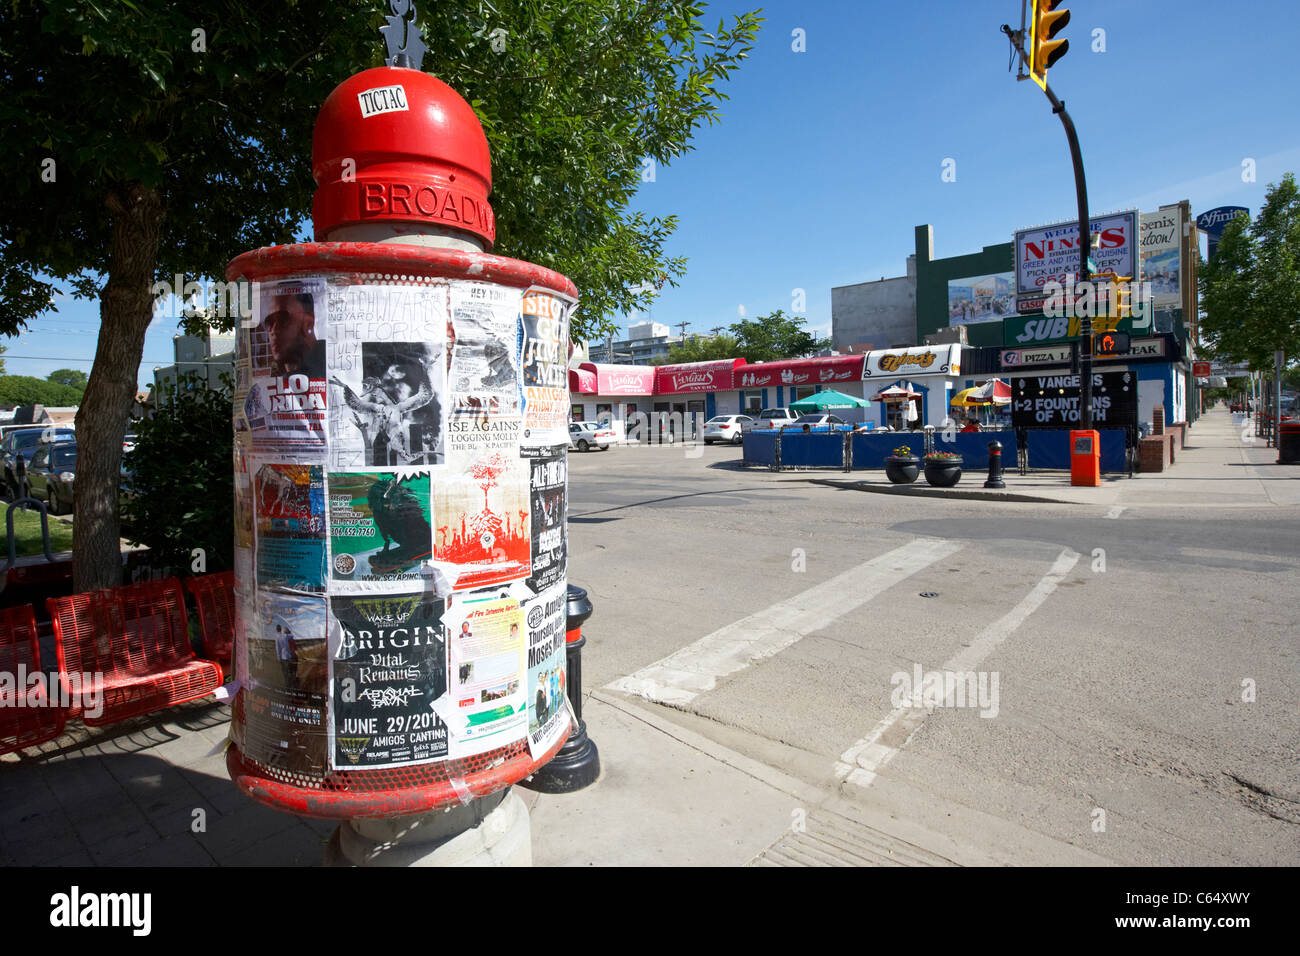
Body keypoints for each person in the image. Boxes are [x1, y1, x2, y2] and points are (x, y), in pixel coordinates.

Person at [262, 292, 325, 378]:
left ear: (308, 323)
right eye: (269, 322)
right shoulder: (277, 379)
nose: (273, 330)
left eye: (282, 318)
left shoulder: (330, 366)